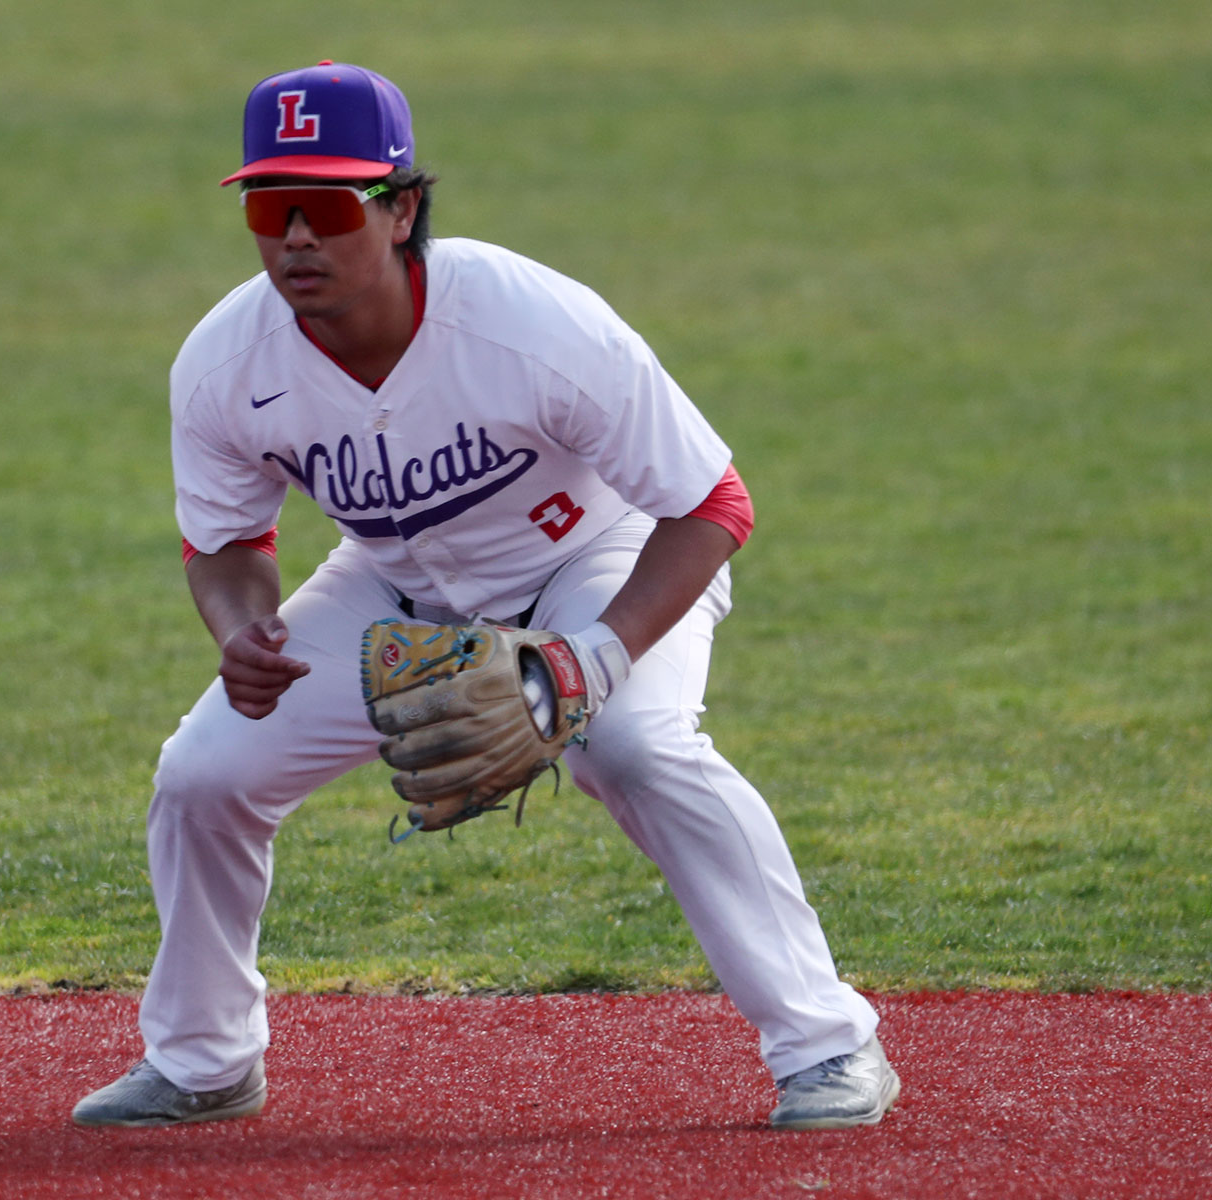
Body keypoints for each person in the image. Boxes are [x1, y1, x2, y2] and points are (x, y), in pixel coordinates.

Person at [71, 61, 899, 1131]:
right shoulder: (228, 359)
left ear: (403, 207)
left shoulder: (531, 322)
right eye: (269, 210)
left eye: (327, 206)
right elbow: (226, 540)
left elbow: (712, 505)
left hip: (602, 562)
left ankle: (829, 1046)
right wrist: (242, 630)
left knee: (636, 749)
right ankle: (203, 1062)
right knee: (203, 775)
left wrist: (595, 657)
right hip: (397, 583)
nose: (296, 240)